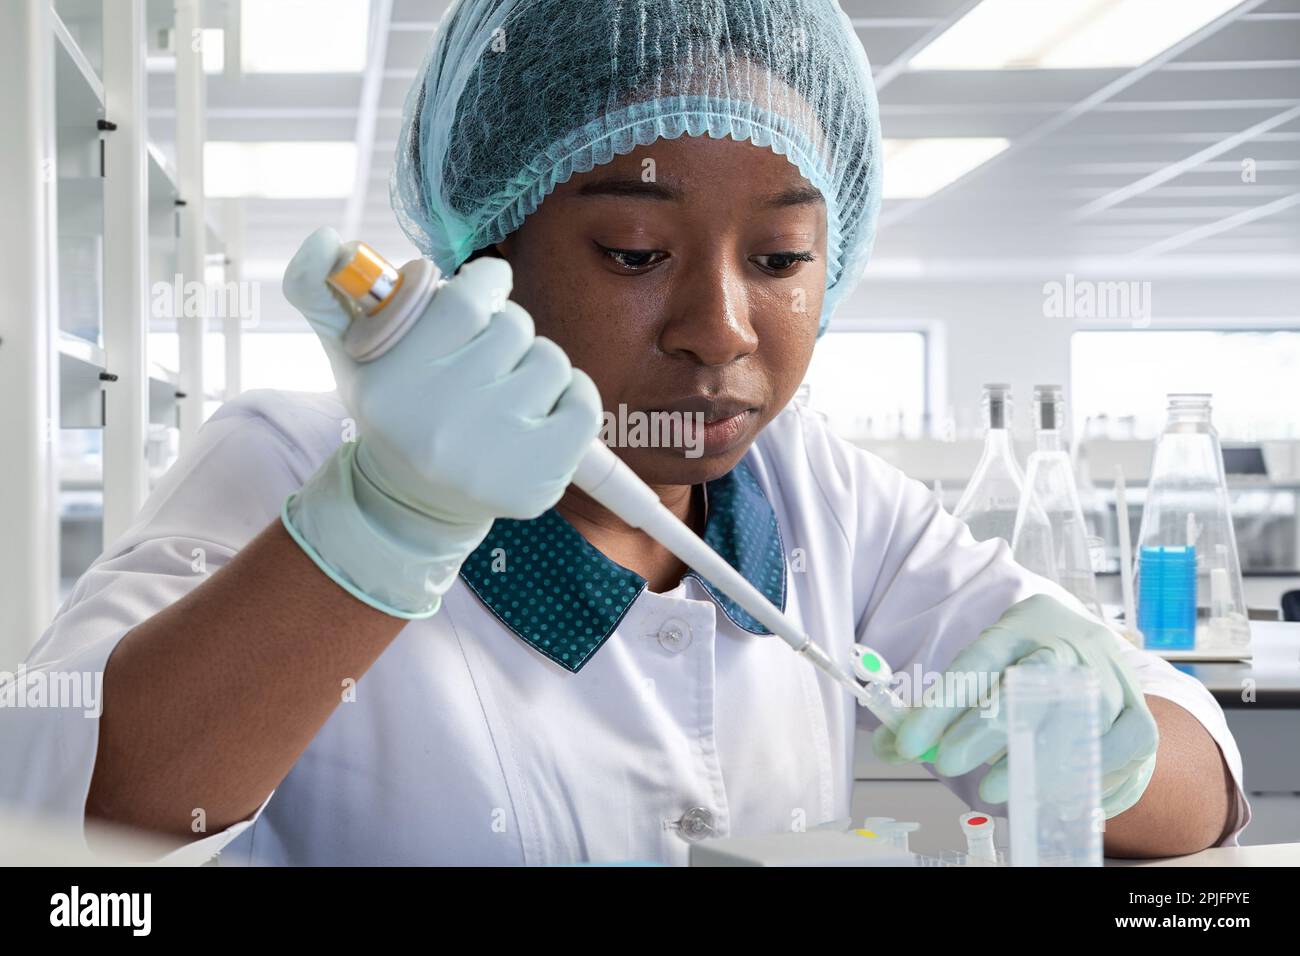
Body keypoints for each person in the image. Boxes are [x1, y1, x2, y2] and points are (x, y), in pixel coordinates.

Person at [0, 0, 1247, 865]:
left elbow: (1197, 778)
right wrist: (382, 527)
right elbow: (62, 823)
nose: (720, 328)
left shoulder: (820, 496)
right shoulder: (291, 461)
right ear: (484, 248)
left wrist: (1109, 754)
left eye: (781, 257)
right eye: (636, 251)